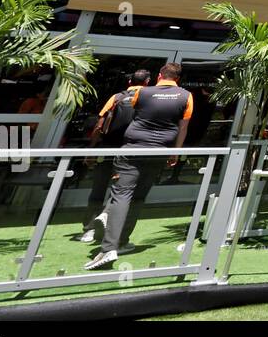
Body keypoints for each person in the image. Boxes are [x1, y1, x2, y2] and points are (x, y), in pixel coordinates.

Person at [85, 63, 193, 270]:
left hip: (133, 148)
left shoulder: (142, 93)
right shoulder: (186, 96)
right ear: (178, 79)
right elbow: (183, 127)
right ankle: (123, 241)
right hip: (160, 150)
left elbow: (126, 118)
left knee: (122, 195)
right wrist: (175, 152)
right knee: (139, 196)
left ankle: (108, 247)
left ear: (160, 76)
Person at [78, 70, 147, 243]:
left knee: (98, 188)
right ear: (147, 82)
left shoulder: (117, 97)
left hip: (108, 148)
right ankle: (109, 224)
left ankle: (89, 229)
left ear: (130, 81)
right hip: (131, 150)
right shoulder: (148, 99)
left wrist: (92, 148)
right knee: (122, 190)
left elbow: (100, 124)